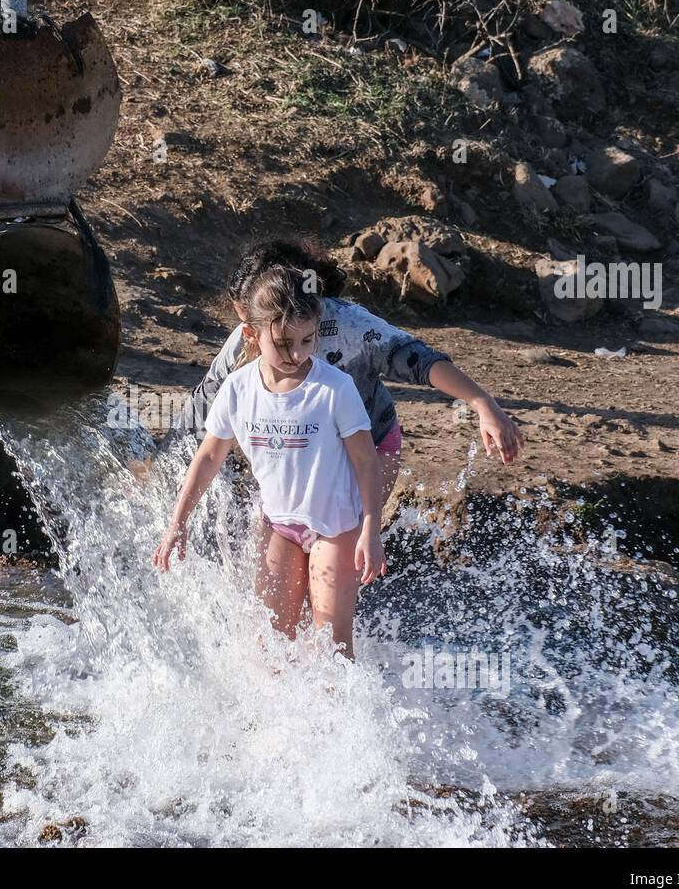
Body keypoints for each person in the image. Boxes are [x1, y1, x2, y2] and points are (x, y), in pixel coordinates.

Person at [161, 238, 525, 523]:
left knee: (337, 554)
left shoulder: (350, 326)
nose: (245, 321)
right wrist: (162, 468)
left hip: (367, 449)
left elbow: (419, 361)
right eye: (248, 317)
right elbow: (205, 402)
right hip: (298, 452)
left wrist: (481, 403)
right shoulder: (247, 337)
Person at [153, 265, 383, 660]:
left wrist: (371, 530)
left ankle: (338, 717)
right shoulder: (238, 389)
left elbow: (366, 462)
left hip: (336, 527)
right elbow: (208, 457)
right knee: (272, 647)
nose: (297, 354)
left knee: (332, 646)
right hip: (279, 525)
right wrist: (178, 522)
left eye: (307, 340)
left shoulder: (334, 389)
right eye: (283, 343)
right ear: (252, 334)